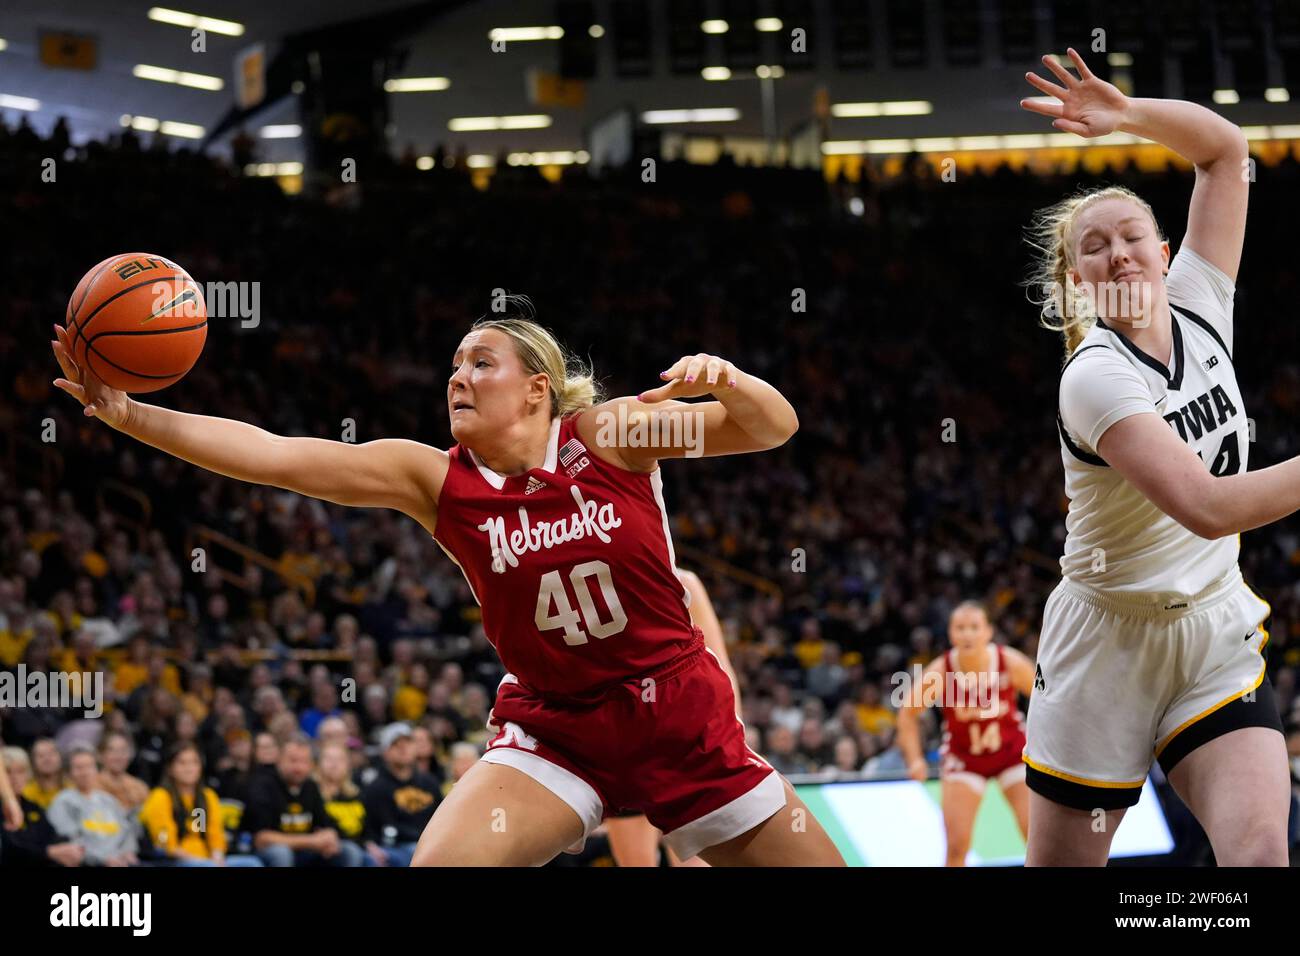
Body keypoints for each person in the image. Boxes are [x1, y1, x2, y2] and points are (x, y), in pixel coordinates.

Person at [51, 298, 843, 866]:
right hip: (558, 730)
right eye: (454, 366)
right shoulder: (433, 480)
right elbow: (274, 454)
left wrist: (730, 380)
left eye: (481, 362)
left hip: (680, 720)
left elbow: (774, 427)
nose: (458, 378)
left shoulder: (610, 433)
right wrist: (133, 417)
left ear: (539, 386)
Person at [1021, 48, 1289, 865]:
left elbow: (1224, 152)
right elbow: (1207, 504)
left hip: (1210, 629)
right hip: (1107, 645)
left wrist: (1128, 114)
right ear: (1080, 281)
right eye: (1094, 248)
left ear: (1164, 250)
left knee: (1260, 852)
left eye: (1131, 234)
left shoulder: (1201, 301)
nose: (1119, 253)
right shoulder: (1094, 377)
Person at [604, 567, 739, 867]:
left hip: (685, 744)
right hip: (626, 747)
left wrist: (734, 735)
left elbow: (721, 667)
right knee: (635, 862)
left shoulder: (683, 583)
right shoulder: (603, 585)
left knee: (695, 859)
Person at [896, 601, 1035, 866]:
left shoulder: (1010, 661)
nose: (968, 634)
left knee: (1035, 836)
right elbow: (907, 714)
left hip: (1011, 753)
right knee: (957, 846)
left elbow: (1048, 697)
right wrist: (914, 759)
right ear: (950, 634)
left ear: (988, 632)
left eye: (974, 627)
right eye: (960, 628)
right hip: (964, 758)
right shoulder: (941, 670)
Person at [242, 735, 361, 867]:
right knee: (281, 853)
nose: (299, 768)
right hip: (266, 853)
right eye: (293, 761)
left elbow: (326, 824)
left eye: (304, 762)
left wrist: (330, 837)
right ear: (279, 760)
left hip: (305, 852)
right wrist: (311, 841)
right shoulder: (262, 784)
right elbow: (262, 839)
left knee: (349, 851)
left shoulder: (310, 786)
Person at [139, 743, 263, 866]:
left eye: (194, 762)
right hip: (176, 861)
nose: (189, 768)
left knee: (252, 863)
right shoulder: (160, 796)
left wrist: (217, 856)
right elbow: (165, 843)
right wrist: (199, 861)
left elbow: (215, 835)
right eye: (182, 763)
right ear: (170, 769)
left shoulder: (207, 796)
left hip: (208, 859)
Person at [362, 723, 441, 867]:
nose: (403, 748)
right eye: (396, 744)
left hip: (430, 844)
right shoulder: (376, 788)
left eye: (408, 743)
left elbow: (442, 819)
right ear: (385, 752)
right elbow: (386, 829)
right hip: (395, 848)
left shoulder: (430, 782)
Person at [46, 747, 139, 866]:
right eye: (79, 768)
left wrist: (128, 852)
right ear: (69, 773)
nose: (85, 772)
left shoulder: (108, 800)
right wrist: (103, 860)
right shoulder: (63, 801)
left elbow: (126, 831)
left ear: (96, 769)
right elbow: (70, 842)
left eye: (90, 766)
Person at [0, 747, 84, 867]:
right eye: (8, 772)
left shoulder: (32, 807)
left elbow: (52, 836)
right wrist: (48, 852)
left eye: (20, 771)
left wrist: (67, 849)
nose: (14, 778)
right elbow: (9, 849)